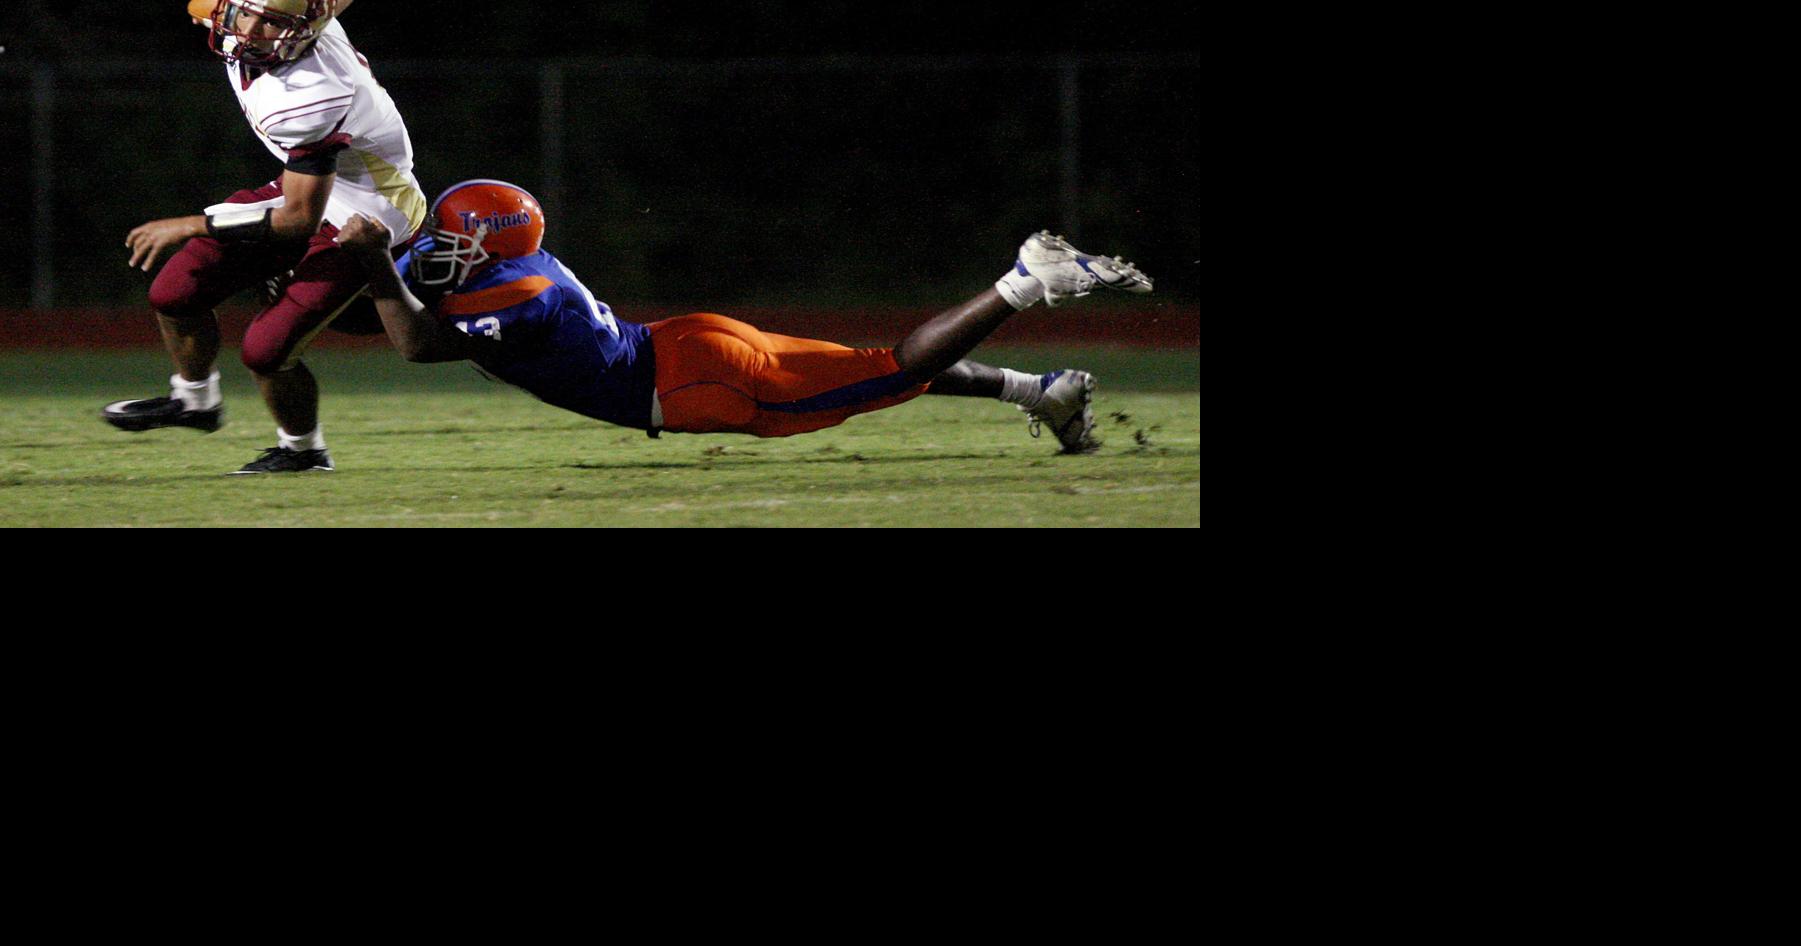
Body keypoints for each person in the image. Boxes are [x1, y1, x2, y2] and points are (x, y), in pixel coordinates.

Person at [336, 180, 1153, 453]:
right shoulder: (497, 262)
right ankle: (1040, 393)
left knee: (890, 368)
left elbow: (410, 341)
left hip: (698, 381)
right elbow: (372, 317)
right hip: (684, 344)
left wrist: (371, 263)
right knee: (860, 368)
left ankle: (1024, 283)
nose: (433, 250)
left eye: (448, 237)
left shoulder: (522, 294)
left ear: (483, 244)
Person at [102, 0, 426, 474]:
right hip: (309, 189)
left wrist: (193, 223)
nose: (250, 30)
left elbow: (298, 221)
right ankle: (195, 401)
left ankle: (304, 451)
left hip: (367, 213)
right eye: (242, 14)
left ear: (306, 30)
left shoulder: (312, 94)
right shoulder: (246, 22)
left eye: (271, 21)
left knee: (266, 349)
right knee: (176, 291)